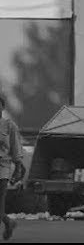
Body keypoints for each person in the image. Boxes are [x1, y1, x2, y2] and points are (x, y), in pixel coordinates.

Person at [0, 94, 22, 241]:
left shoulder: (9, 125)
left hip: (2, 168)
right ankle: (9, 222)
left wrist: (18, 167)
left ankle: (8, 222)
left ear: (2, 107)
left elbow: (15, 148)